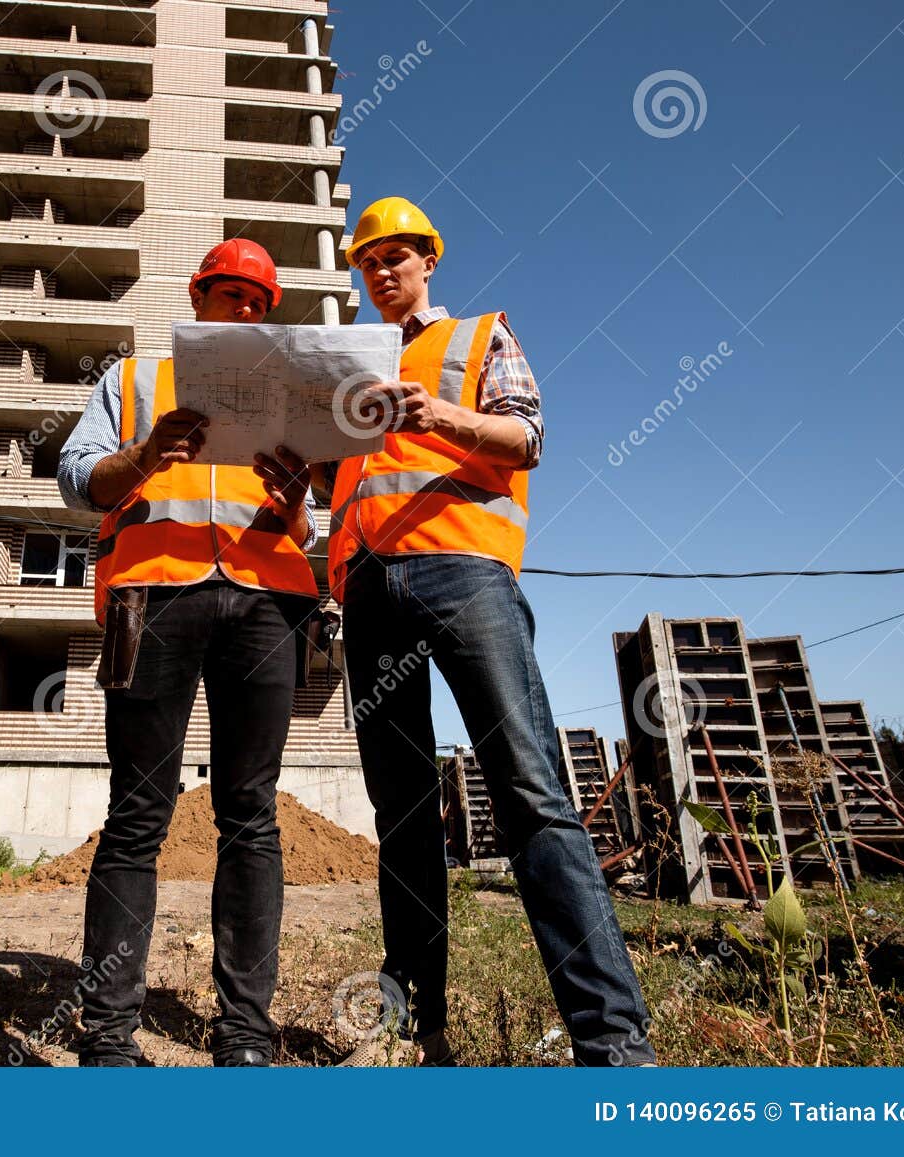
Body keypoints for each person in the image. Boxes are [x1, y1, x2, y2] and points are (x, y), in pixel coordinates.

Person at [327, 197, 655, 1066]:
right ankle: (412, 1026)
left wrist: (436, 415)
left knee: (533, 796)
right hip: (367, 593)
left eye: (398, 256)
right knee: (399, 813)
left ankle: (613, 1046)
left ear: (428, 261)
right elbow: (340, 487)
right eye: (370, 260)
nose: (383, 270)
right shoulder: (346, 375)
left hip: (462, 572)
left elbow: (527, 435)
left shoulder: (478, 338)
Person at [57, 238, 318, 1067]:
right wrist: (143, 456)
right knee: (138, 812)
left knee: (250, 811)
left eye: (257, 301)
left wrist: (299, 507)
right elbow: (73, 479)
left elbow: (315, 531)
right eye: (229, 294)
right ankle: (108, 1036)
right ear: (198, 295)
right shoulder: (134, 380)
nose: (243, 309)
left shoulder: (292, 396)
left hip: (265, 603)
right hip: (150, 596)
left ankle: (244, 1033)